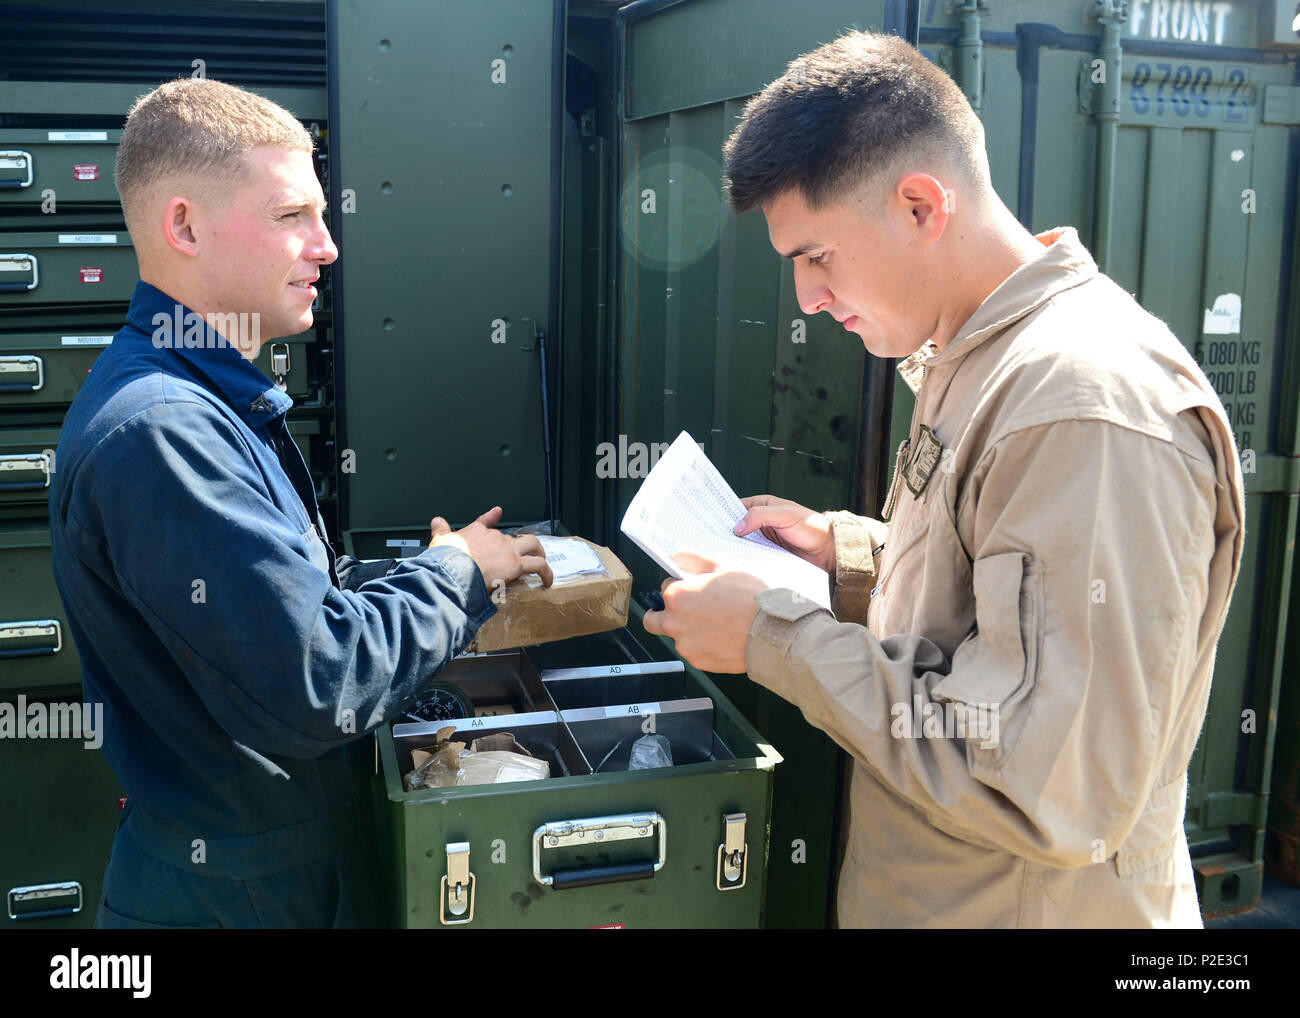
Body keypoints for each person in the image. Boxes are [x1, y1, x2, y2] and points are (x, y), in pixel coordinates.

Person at [642, 31, 1245, 928]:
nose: (808, 299)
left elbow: (1044, 780)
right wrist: (848, 555)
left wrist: (778, 639)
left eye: (817, 256)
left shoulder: (1080, 410)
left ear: (922, 204)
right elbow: (994, 613)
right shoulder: (984, 357)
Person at [48, 77, 552, 929]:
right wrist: (457, 574)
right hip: (232, 898)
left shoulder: (203, 401)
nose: (326, 247)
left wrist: (429, 569)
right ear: (184, 226)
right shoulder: (163, 435)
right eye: (292, 218)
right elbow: (320, 680)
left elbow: (288, 604)